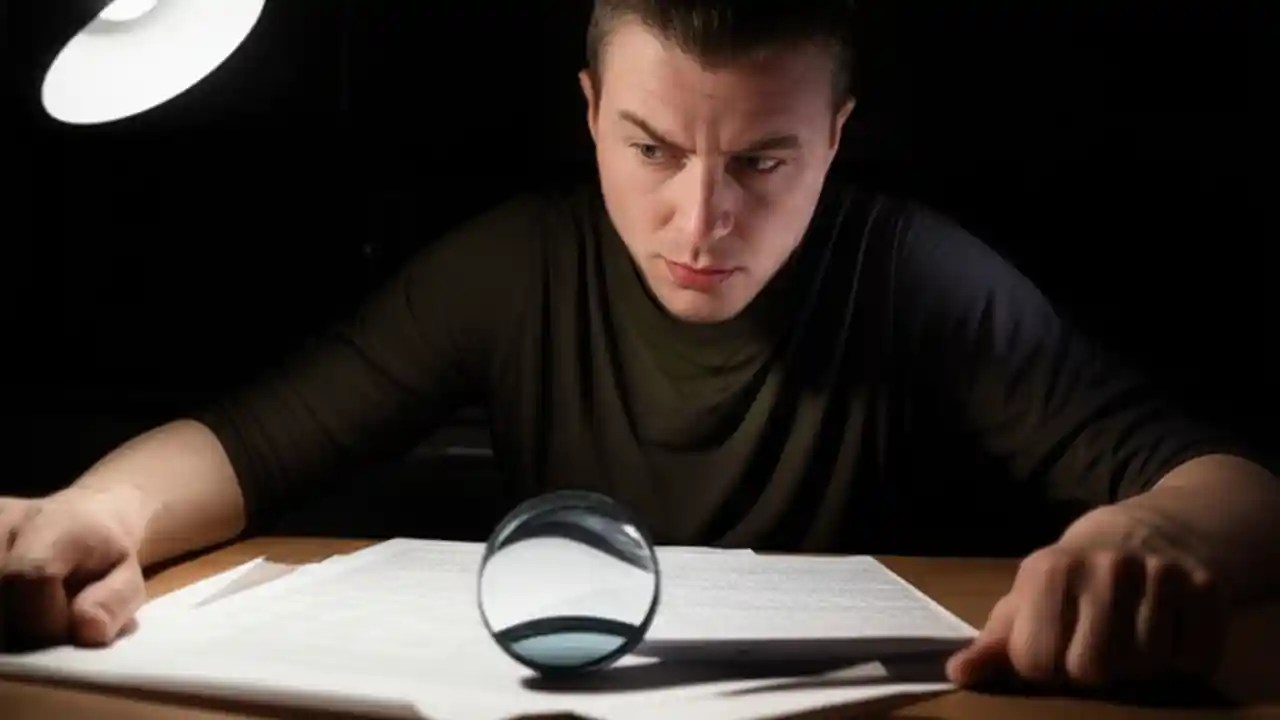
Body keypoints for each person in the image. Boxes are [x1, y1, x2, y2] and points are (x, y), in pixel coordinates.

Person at [2, 0, 1277, 696]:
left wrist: (1159, 537)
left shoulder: (918, 274)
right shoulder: (512, 266)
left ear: (834, 137)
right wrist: (99, 506)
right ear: (590, 112)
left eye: (765, 161)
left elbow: (1234, 484)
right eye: (652, 148)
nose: (700, 221)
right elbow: (250, 441)